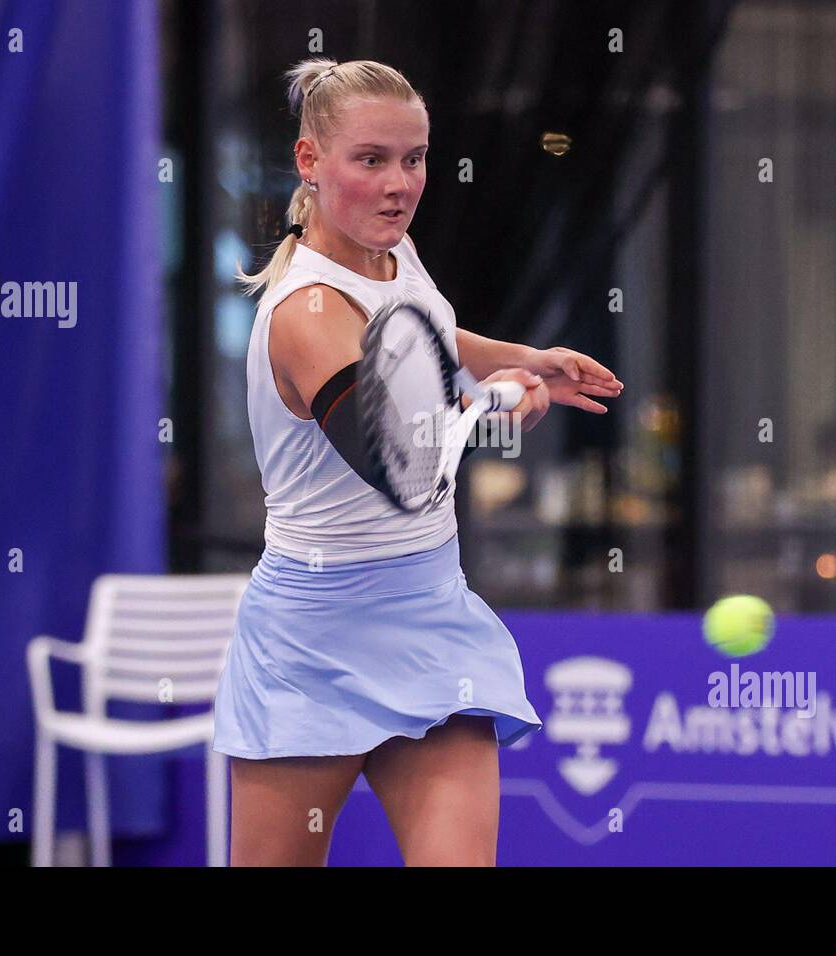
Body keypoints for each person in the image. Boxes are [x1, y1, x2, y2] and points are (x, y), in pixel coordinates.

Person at [212, 58, 623, 866]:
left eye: (415, 158)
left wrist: (525, 358)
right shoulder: (307, 313)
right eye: (371, 160)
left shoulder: (391, 253)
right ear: (310, 163)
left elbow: (429, 336)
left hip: (430, 617)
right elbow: (397, 453)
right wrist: (494, 401)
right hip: (311, 640)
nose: (400, 183)